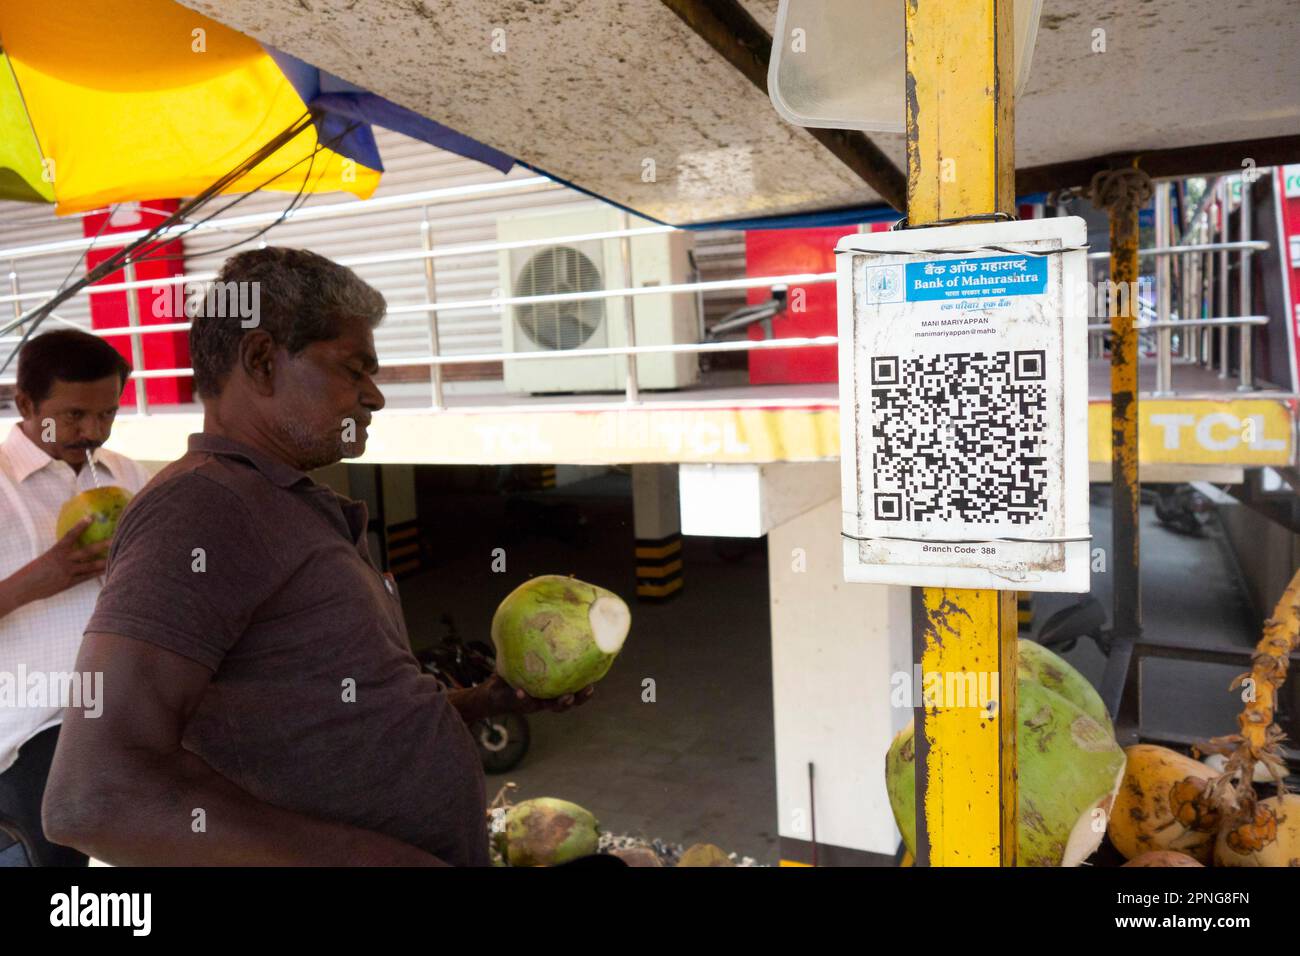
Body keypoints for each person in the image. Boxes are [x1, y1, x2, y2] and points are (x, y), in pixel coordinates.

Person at [42, 247, 592, 866]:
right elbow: (94, 797)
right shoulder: (202, 510)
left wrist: (483, 701)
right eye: (354, 370)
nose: (375, 398)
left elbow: (327, 717)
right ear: (262, 360)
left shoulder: (286, 503)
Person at [0, 329, 152, 866]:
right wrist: (35, 581)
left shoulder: (128, 475)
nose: (93, 431)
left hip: (129, 718)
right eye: (72, 416)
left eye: (107, 414)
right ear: (24, 403)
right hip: (30, 741)